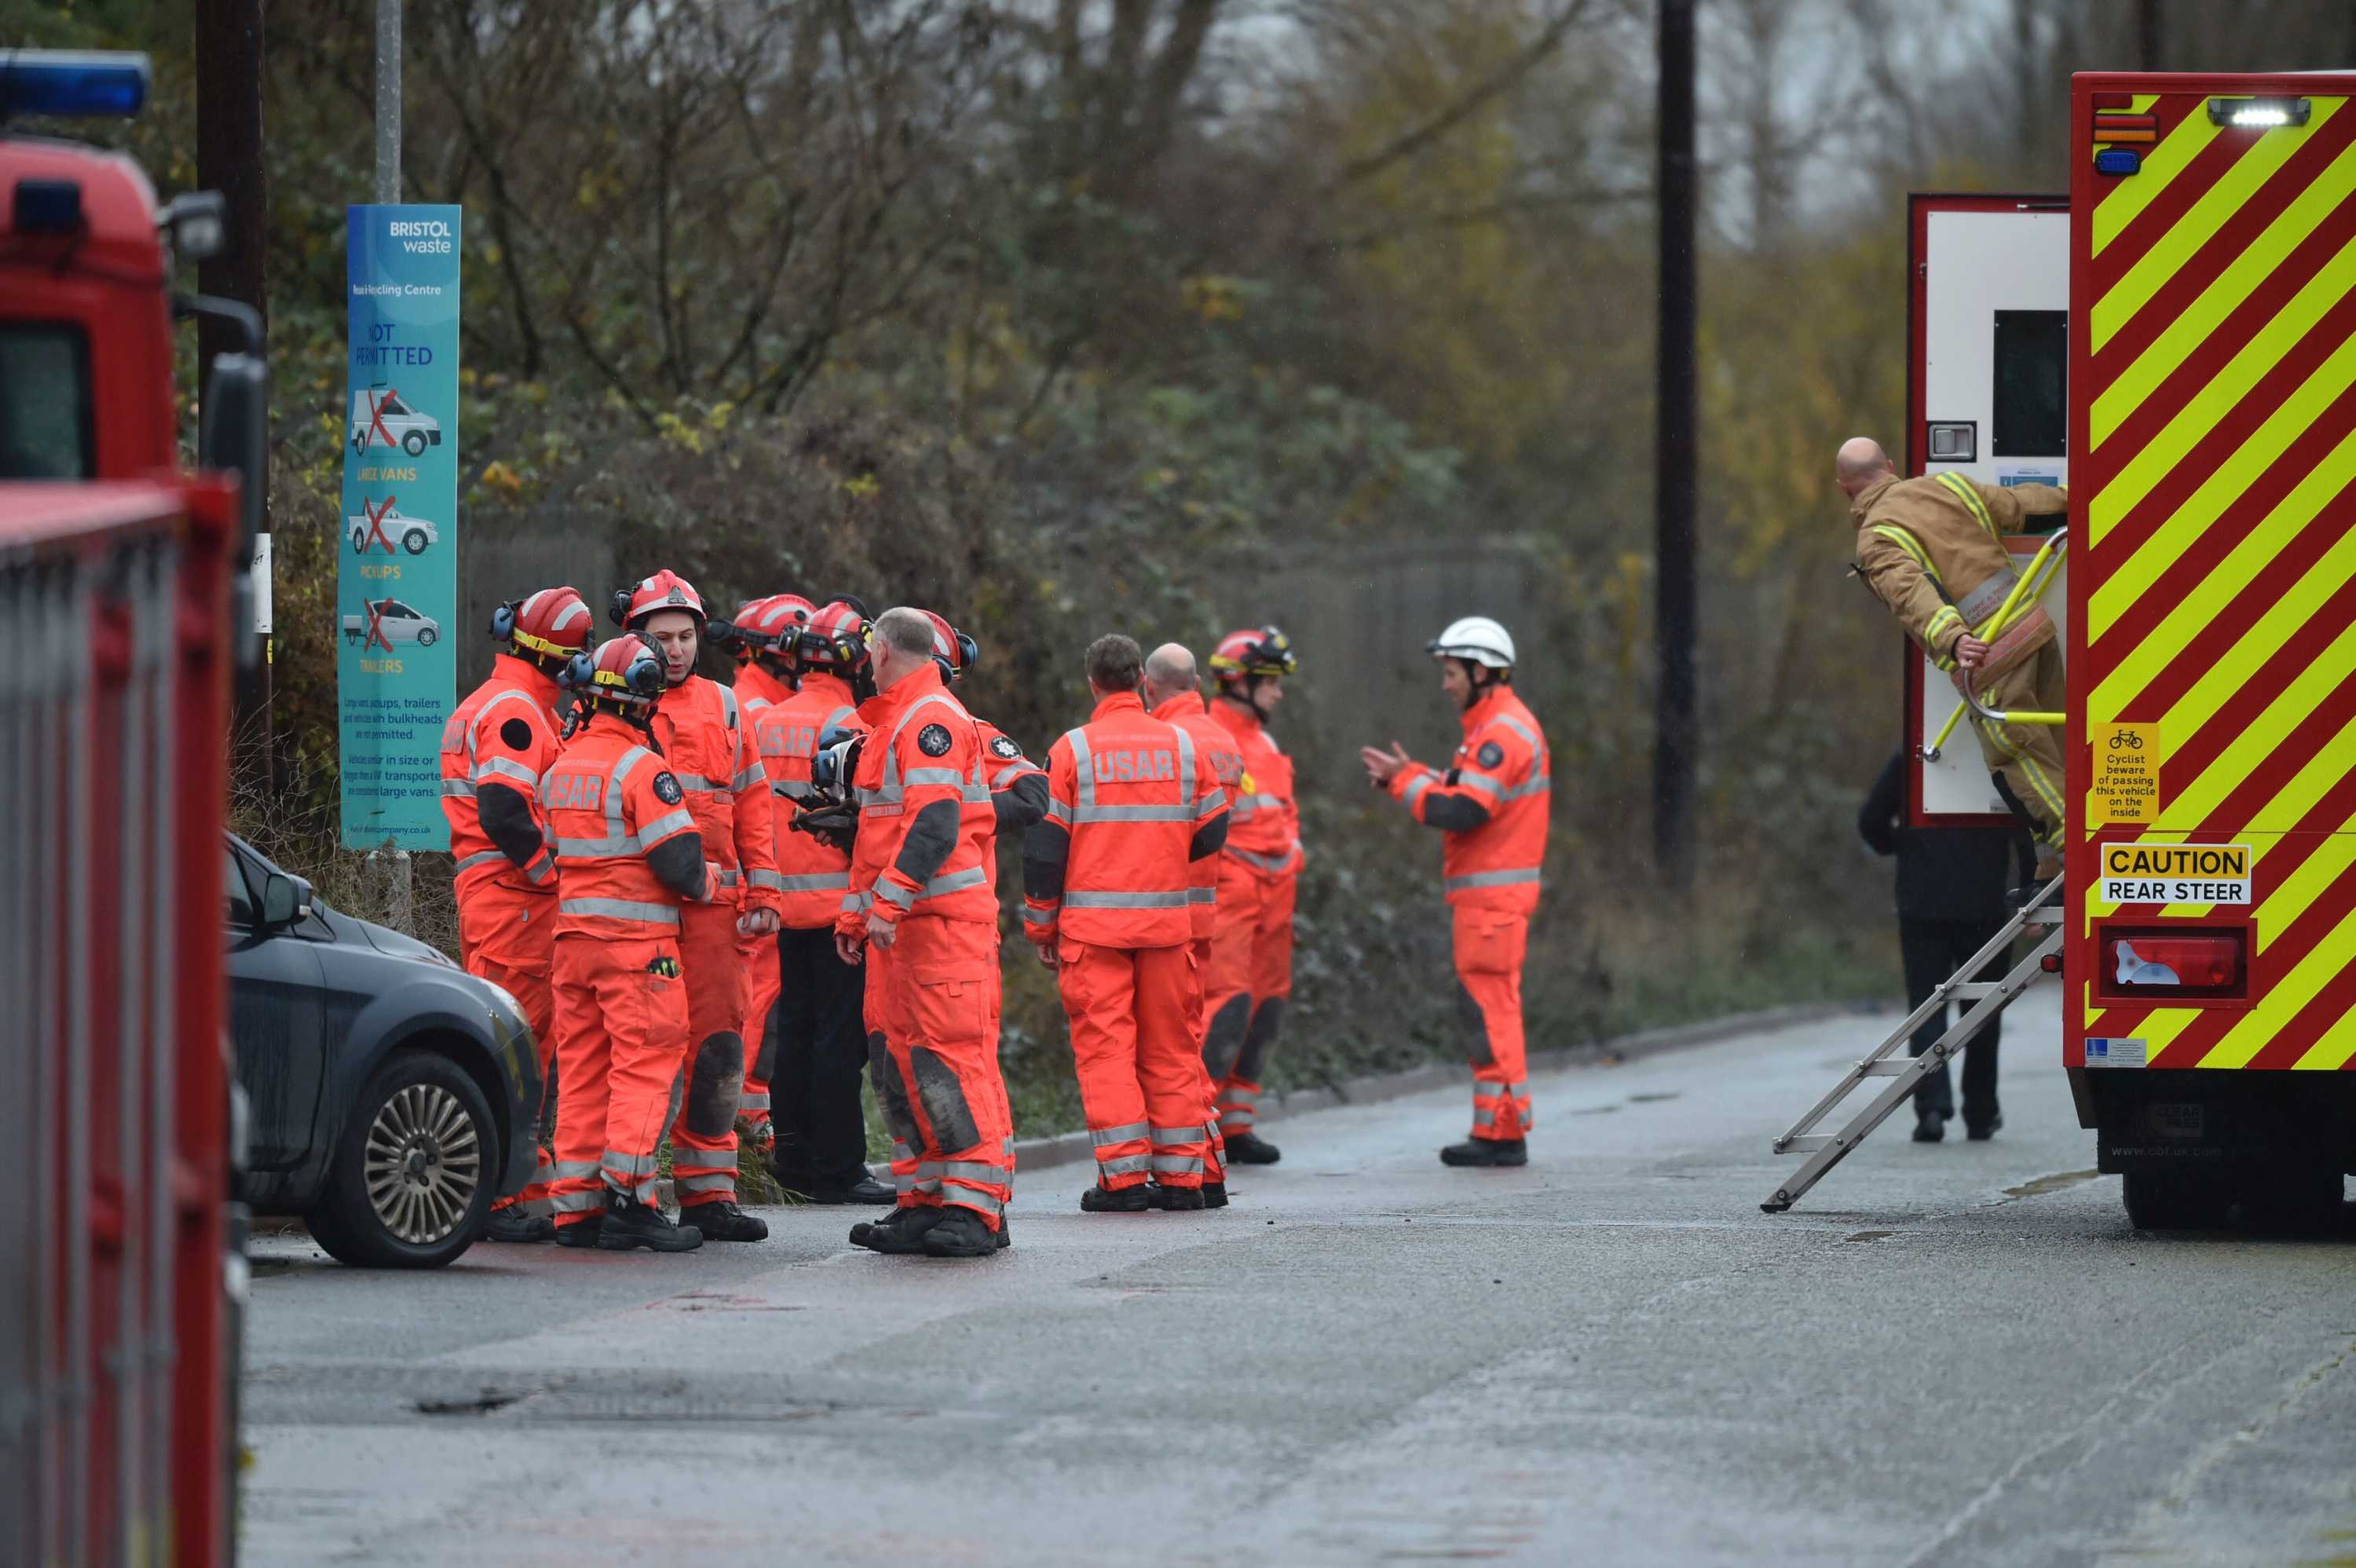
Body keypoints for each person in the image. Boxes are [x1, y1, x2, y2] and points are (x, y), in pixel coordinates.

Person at [1025, 634, 1230, 1212]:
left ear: (1093, 683)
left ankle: (1123, 1181)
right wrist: (1161, 852)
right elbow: (1214, 828)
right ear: (1143, 679)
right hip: (1167, 929)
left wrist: (1042, 927)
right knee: (1171, 1052)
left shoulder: (1071, 751)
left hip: (1094, 935)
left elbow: (1045, 849)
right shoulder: (1185, 748)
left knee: (1108, 1053)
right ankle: (1183, 1181)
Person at [836, 607, 1016, 1259]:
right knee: (898, 1066)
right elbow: (877, 837)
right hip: (900, 935)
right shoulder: (892, 725)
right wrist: (858, 916)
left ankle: (976, 1205)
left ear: (882, 650)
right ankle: (925, 1198)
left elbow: (936, 826)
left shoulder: (930, 719)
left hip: (938, 931)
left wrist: (884, 905)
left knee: (951, 1062)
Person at [614, 570, 781, 1243]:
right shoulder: (614, 698)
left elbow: (753, 799)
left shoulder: (726, 705)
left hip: (717, 911)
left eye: (686, 636)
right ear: (637, 637)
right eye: (663, 638)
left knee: (717, 1048)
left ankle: (710, 1194)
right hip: (644, 905)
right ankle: (629, 1194)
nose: (677, 649)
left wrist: (765, 886)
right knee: (645, 1049)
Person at [541, 634, 716, 1252]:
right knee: (647, 1062)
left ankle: (577, 1209)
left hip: (573, 944)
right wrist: (711, 878)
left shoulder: (561, 767)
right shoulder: (643, 768)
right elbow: (680, 862)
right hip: (638, 947)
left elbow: (555, 849)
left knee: (584, 1070)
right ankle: (630, 1198)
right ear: (643, 700)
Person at [1359, 616, 1549, 1167]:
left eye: (1451, 672)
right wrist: (1413, 771)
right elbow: (1464, 789)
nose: (1445, 684)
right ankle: (1496, 1130)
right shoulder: (1495, 727)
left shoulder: (1501, 732)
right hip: (1491, 903)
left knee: (1488, 1013)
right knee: (1488, 1012)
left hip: (1492, 905)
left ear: (1481, 670)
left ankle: (1503, 1134)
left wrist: (1403, 783)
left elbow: (1462, 810)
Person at [438, 586, 594, 1243]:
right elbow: (505, 809)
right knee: (519, 1045)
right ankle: (503, 1196)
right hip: (515, 904)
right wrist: (551, 877)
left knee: (518, 1043)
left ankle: (523, 1184)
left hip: (498, 900)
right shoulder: (518, 713)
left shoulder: (501, 701)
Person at [1837, 437, 2067, 882]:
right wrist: (2088, 500)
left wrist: (1953, 637)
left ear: (1845, 489)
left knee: (2020, 759)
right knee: (2056, 752)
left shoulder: (1876, 537)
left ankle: (2080, 853)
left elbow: (1911, 594)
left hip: (1989, 655)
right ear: (1889, 465)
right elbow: (2022, 505)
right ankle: (2049, 865)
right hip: (2034, 630)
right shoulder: (1947, 485)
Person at [752, 596, 897, 1206]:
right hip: (841, 914)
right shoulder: (860, 730)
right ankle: (839, 1166)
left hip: (778, 911)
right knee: (839, 1044)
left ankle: (794, 1159)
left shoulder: (762, 723)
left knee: (792, 1036)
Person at [1858, 751, 2031, 1142]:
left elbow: (1870, 820)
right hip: (1984, 905)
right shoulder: (1995, 758)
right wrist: (2028, 891)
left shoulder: (1910, 760)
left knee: (1925, 1008)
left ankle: (1932, 1108)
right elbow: (2025, 827)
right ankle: (1981, 1112)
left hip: (1921, 903)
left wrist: (1900, 845)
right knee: (1983, 1010)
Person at [1142, 641, 1245, 1206]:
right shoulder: (1224, 740)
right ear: (1198, 681)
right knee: (1187, 1038)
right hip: (1208, 905)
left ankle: (1200, 1169)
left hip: (1167, 911)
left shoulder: (1176, 744)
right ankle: (1203, 1164)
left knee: (1175, 1046)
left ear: (1150, 686)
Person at [1201, 626, 1303, 1164]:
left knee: (1266, 1007)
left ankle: (1236, 1123)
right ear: (1238, 681)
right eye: (1271, 680)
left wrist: (1294, 852)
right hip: (1233, 890)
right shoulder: (1210, 735)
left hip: (1276, 893)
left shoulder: (1264, 742)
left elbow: (1285, 810)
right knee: (1226, 1004)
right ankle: (1197, 1123)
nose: (1279, 692)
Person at [722, 593, 813, 1162]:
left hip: (754, 881)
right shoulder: (757, 712)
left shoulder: (748, 703)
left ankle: (749, 1124)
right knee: (757, 1005)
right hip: (755, 886)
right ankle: (751, 1129)